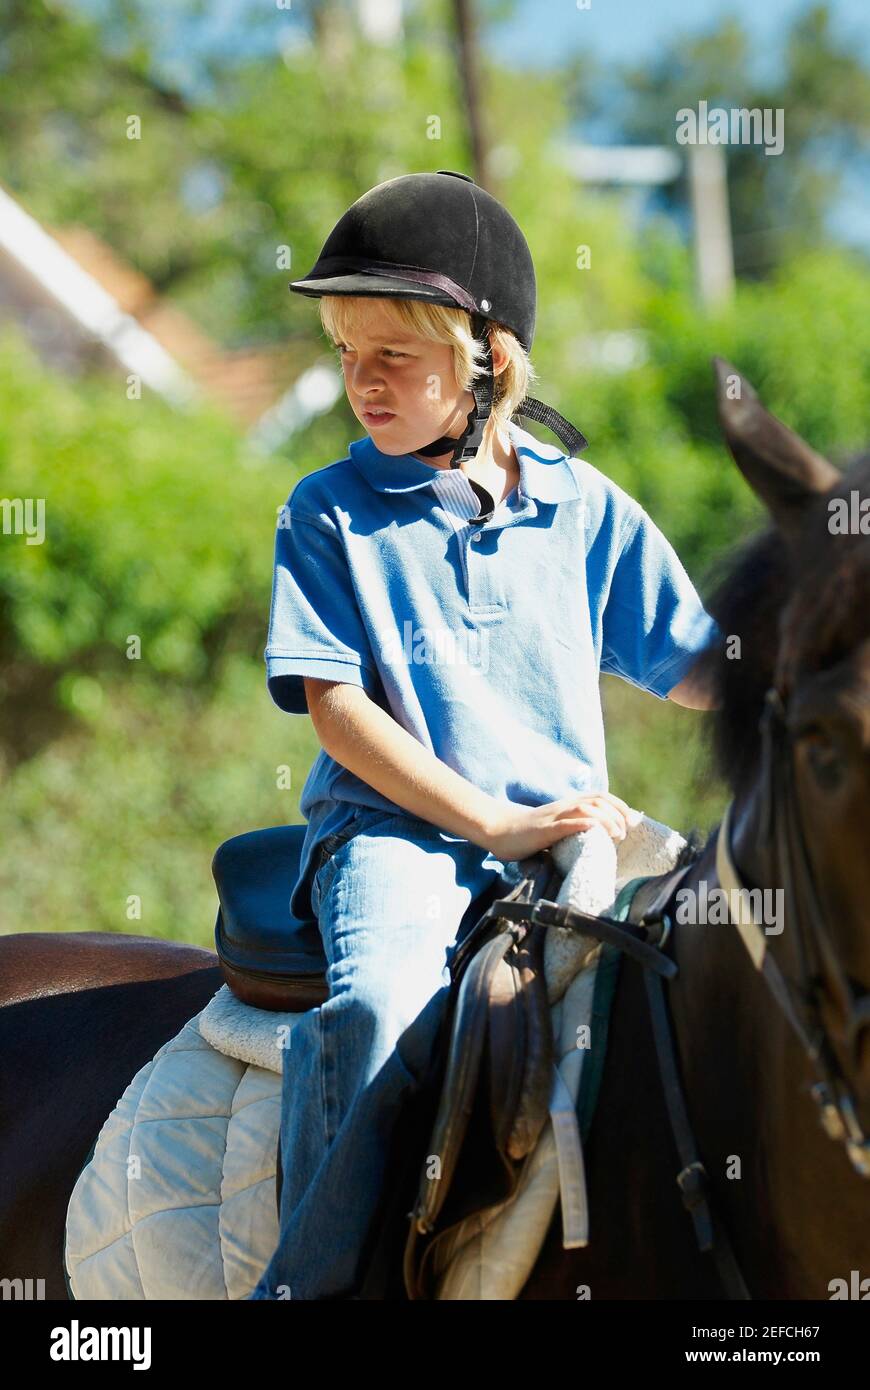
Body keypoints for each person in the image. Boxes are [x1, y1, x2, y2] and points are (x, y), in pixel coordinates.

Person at [248, 171, 720, 1300]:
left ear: (488, 362)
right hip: (397, 840)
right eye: (349, 353)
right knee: (380, 1002)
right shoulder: (327, 509)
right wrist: (495, 817)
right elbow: (338, 710)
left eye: (392, 357)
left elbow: (707, 664)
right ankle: (306, 1292)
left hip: (569, 845)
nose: (362, 381)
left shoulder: (585, 506)